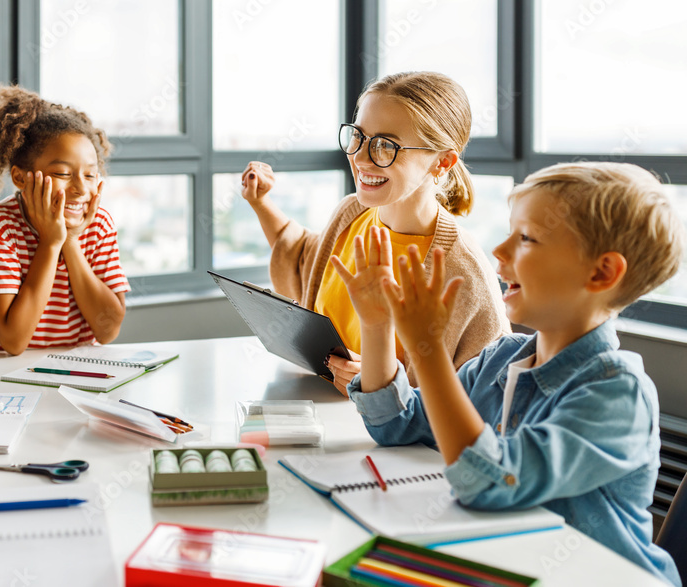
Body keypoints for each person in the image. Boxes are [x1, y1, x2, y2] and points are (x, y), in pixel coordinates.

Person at [335, 162, 683, 585]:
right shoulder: (500, 358)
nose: (498, 252)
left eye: (526, 239)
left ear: (602, 272)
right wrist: (377, 327)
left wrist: (428, 354)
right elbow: (397, 423)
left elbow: (490, 482)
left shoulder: (617, 395)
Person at [240, 71, 510, 393]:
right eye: (358, 136)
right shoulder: (352, 214)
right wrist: (260, 203)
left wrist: (381, 384)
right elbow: (303, 260)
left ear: (442, 162)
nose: (361, 158)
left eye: (385, 146)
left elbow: (486, 399)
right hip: (321, 420)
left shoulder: (463, 276)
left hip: (389, 444)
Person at [0, 85, 129, 354]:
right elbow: (14, 342)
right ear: (20, 178)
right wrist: (52, 243)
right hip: (3, 380)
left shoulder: (98, 223)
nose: (80, 188)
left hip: (77, 374)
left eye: (90, 175)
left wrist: (71, 241)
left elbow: (108, 330)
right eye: (63, 174)